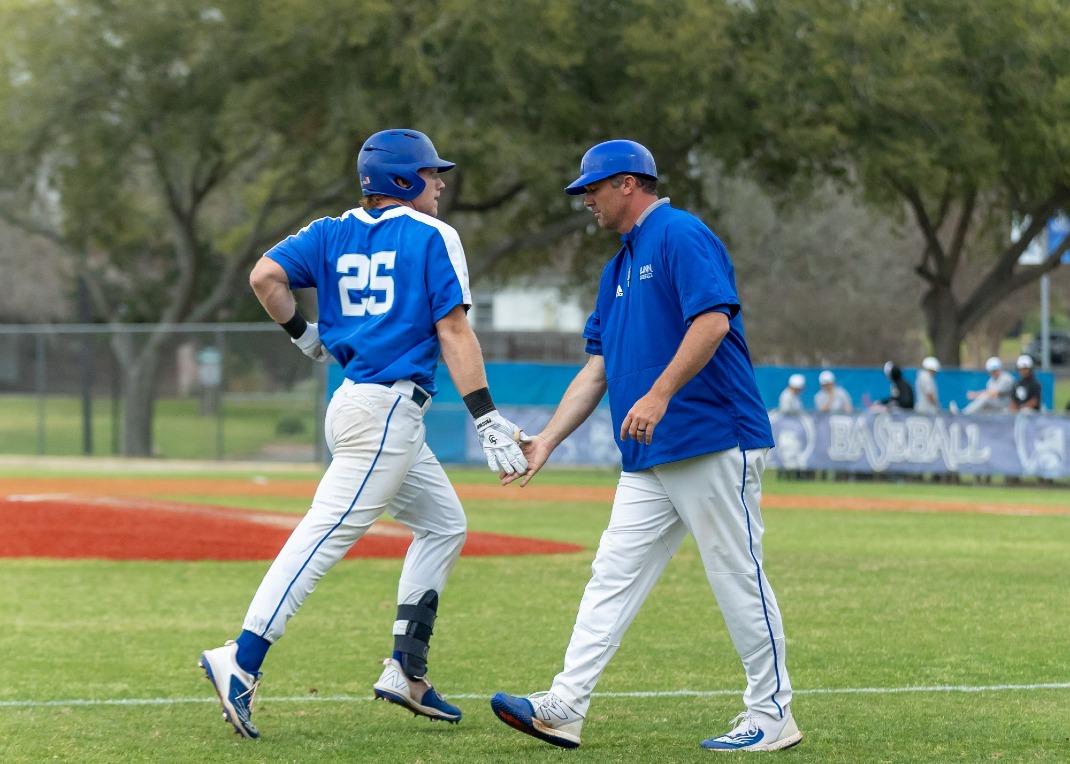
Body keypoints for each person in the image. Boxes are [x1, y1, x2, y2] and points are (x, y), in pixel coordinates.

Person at [197, 129, 529, 739]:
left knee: (444, 524)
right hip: (384, 413)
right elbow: (454, 332)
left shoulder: (327, 231)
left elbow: (264, 277)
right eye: (431, 174)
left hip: (360, 404)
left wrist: (305, 335)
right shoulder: (433, 235)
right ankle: (240, 661)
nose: (441, 183)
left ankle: (406, 669)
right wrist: (485, 417)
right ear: (403, 180)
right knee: (321, 537)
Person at [489, 140, 801, 752]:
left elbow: (713, 320)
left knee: (736, 574)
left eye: (593, 190)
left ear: (629, 184)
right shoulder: (617, 269)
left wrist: (659, 394)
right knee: (611, 575)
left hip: (711, 436)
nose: (586, 202)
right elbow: (598, 368)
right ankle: (565, 705)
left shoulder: (680, 234)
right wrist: (547, 439)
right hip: (649, 454)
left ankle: (771, 714)